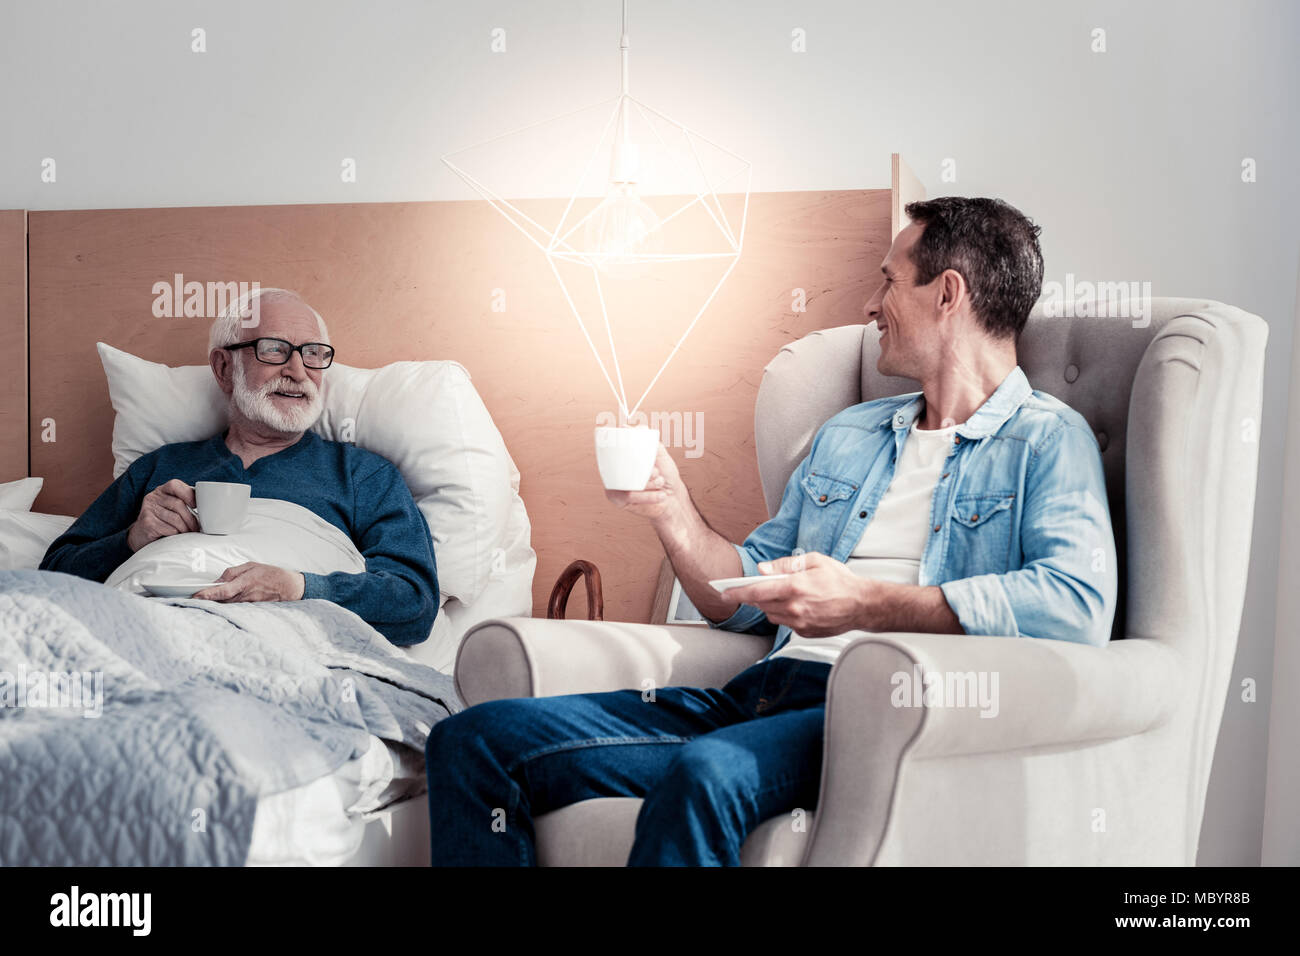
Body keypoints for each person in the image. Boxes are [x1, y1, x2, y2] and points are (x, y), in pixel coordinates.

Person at [425, 197, 1118, 865]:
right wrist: (672, 509)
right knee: (470, 741)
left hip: (870, 719)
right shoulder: (851, 435)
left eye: (888, 283)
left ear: (948, 293)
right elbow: (740, 593)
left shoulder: (1047, 442)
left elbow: (1074, 605)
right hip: (759, 693)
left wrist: (865, 603)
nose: (872, 306)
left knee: (707, 775)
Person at [40, 288, 439, 647]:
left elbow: (414, 605)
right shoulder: (161, 467)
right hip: (142, 638)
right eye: (274, 349)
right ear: (224, 369)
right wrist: (130, 540)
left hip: (285, 653)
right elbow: (52, 577)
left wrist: (298, 587)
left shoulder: (362, 475)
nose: (298, 371)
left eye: (313, 353)